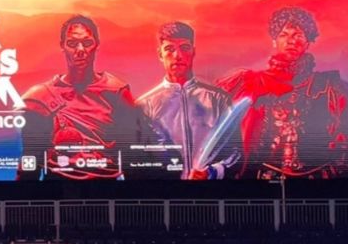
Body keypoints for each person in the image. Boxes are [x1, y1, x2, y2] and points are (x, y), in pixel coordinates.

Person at [218, 6, 348, 179]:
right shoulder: (254, 84)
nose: (291, 41)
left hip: (316, 180)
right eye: (284, 35)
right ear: (274, 41)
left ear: (308, 42)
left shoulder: (330, 86)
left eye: (298, 35)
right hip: (264, 179)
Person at [18, 14, 153, 180]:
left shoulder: (117, 92)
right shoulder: (40, 98)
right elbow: (29, 163)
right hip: (57, 188)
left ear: (96, 45)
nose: (80, 50)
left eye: (87, 43)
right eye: (72, 43)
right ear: (62, 46)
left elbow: (131, 159)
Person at [136, 21, 240, 180]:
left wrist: (211, 173)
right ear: (160, 54)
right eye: (170, 49)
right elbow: (138, 160)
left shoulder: (219, 100)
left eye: (184, 48)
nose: (177, 56)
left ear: (193, 51)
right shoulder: (144, 106)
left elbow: (236, 153)